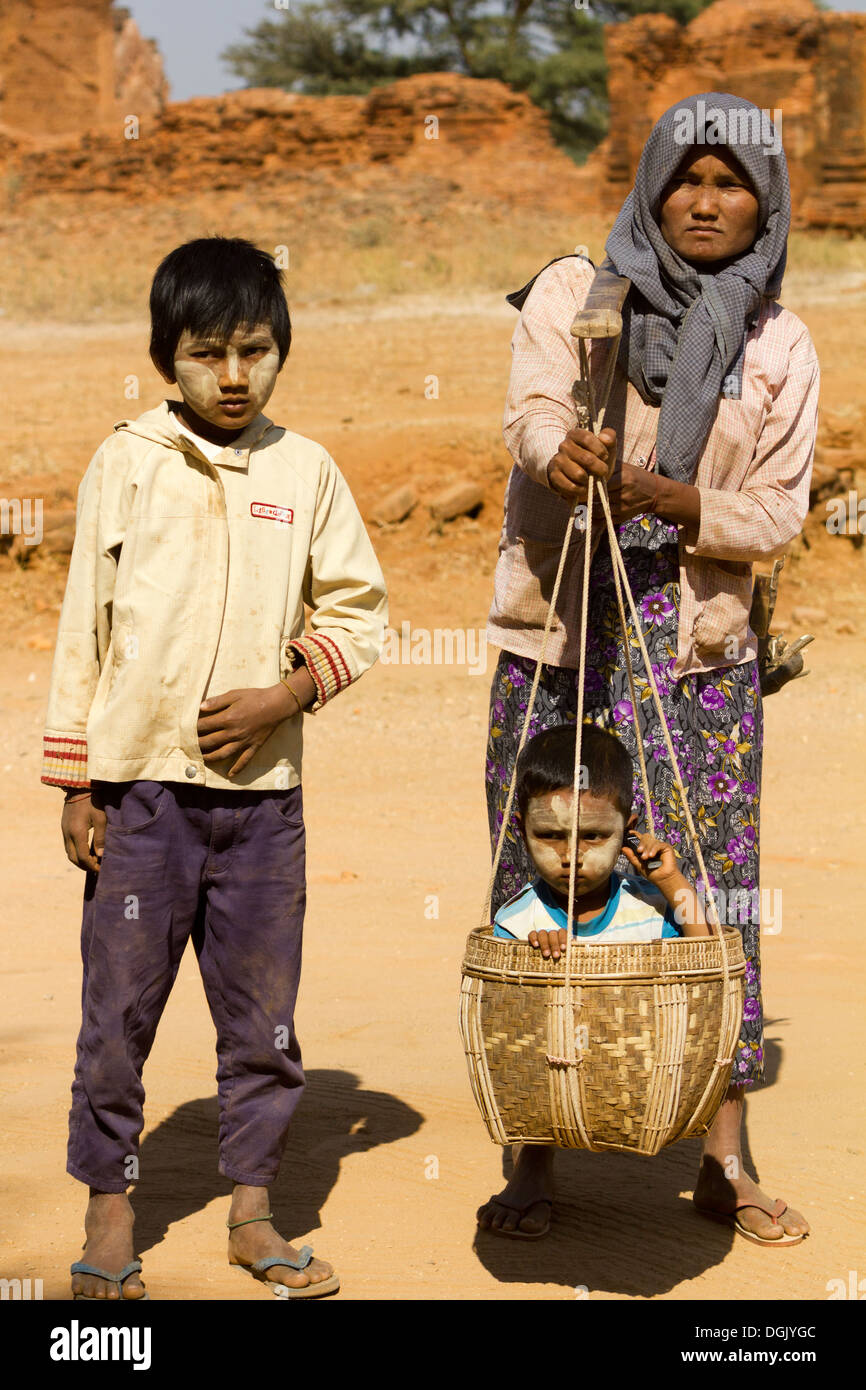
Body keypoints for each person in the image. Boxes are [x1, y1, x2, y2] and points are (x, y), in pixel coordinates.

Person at [480, 93, 814, 1246]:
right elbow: (527, 411)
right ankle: (532, 1146)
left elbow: (776, 513)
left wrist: (679, 503)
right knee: (545, 878)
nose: (707, 201)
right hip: (565, 634)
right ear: (652, 185)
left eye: (732, 182)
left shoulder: (778, 342)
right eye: (688, 177)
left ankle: (723, 1158)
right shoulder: (578, 293)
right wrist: (558, 448)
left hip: (695, 654)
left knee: (707, 892)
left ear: (764, 201)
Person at [42, 236, 388, 1299]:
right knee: (117, 1020)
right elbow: (83, 627)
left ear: (281, 351)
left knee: (264, 1023)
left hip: (261, 809)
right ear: (166, 358)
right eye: (206, 354)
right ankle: (110, 1212)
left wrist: (286, 695)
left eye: (253, 351)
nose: (233, 377)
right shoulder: (127, 459)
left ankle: (252, 1211)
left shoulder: (305, 469)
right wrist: (79, 780)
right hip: (142, 800)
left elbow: (359, 611)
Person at [492, 724, 709, 953]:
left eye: (592, 836)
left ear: (626, 832)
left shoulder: (652, 906)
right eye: (550, 835)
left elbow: (705, 955)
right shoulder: (516, 923)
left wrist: (671, 881)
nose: (570, 857)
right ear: (523, 833)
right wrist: (536, 958)